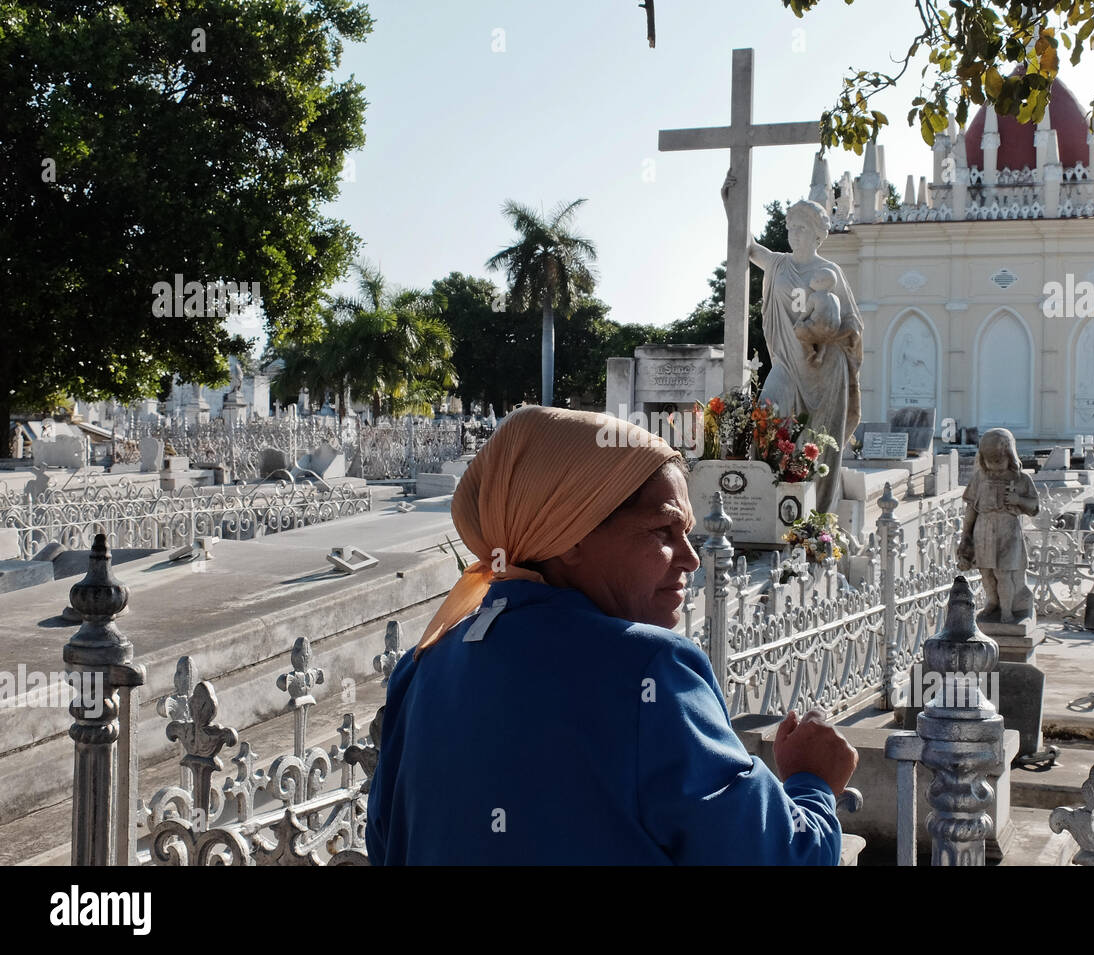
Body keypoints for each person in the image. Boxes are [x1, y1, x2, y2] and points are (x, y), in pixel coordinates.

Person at [366, 406, 858, 865]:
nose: (690, 558)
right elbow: (779, 855)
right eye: (663, 532)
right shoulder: (650, 670)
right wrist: (813, 781)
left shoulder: (423, 666)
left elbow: (387, 841)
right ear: (571, 535)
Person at [724, 178, 864, 513]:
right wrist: (732, 206)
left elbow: (852, 327)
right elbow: (749, 246)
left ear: (817, 233)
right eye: (791, 227)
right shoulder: (779, 265)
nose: (794, 233)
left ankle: (815, 520)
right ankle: (771, 506)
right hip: (787, 365)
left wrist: (822, 331)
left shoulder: (829, 272)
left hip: (826, 371)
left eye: (801, 228)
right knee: (768, 419)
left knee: (821, 445)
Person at [957, 428, 1039, 626]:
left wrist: (1018, 499)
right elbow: (971, 509)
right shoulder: (980, 478)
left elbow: (1034, 507)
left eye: (999, 462)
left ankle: (1007, 611)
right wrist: (966, 534)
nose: (995, 467)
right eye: (990, 462)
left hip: (1007, 530)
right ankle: (992, 603)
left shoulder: (1021, 479)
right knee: (986, 572)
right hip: (983, 529)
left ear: (1010, 456)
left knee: (1003, 573)